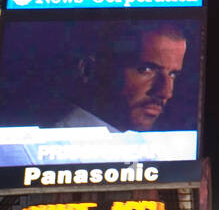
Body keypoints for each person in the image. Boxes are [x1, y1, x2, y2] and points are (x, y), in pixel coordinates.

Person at [55, 23, 188, 133]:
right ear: (88, 70)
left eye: (172, 74)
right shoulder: (50, 150)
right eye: (145, 69)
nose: (166, 92)